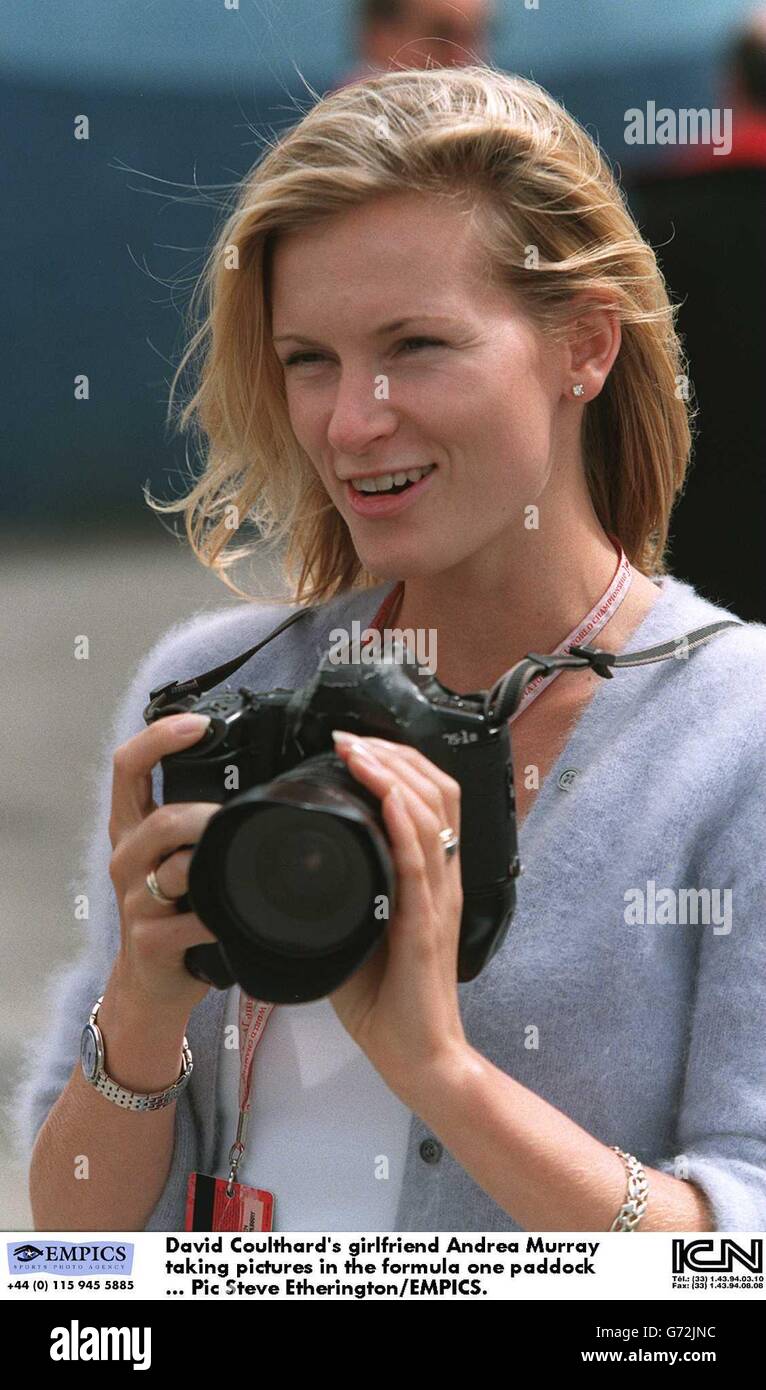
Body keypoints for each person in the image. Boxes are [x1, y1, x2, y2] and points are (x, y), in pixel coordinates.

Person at [11, 66, 766, 1234]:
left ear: (586, 346)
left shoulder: (736, 729)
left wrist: (441, 1071)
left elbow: (734, 1259)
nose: (350, 421)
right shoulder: (214, 688)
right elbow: (75, 1247)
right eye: (308, 357)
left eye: (415, 344)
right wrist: (142, 1012)